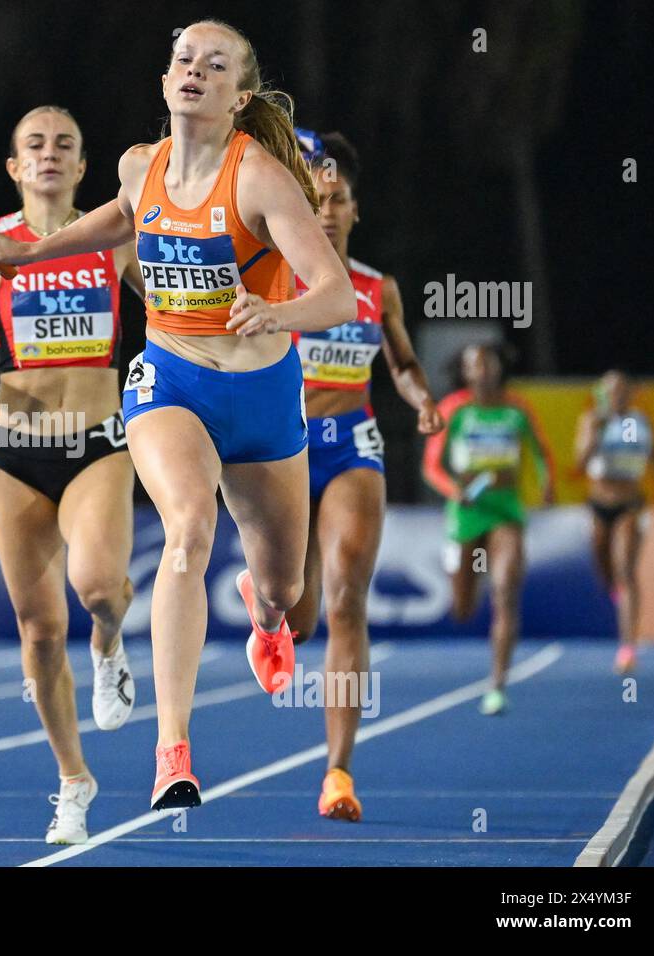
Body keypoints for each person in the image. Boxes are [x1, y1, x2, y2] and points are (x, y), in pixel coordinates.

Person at [0, 21, 355, 811]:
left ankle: (266, 611)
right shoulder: (139, 166)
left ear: (238, 95)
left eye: (214, 66)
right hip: (172, 379)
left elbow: (337, 293)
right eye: (184, 60)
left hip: (260, 395)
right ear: (165, 80)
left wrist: (280, 315)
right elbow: (117, 217)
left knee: (289, 587)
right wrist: (27, 254)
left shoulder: (260, 182)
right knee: (186, 529)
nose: (194, 72)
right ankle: (172, 751)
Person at [0, 106, 145, 842]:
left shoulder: (116, 241)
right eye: (34, 145)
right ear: (15, 167)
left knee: (99, 588)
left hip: (97, 442)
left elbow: (176, 311)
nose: (50, 154)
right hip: (13, 449)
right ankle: (73, 782)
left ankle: (110, 644)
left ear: (84, 167)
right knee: (41, 632)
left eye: (66, 145)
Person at [286, 130, 444, 820]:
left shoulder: (378, 289)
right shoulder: (274, 275)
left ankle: (338, 773)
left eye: (338, 200)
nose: (326, 211)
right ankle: (273, 610)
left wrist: (420, 398)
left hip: (352, 444)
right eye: (315, 200)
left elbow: (402, 363)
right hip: (284, 451)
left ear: (354, 211)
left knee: (348, 597)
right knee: (296, 613)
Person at [422, 343, 554, 714]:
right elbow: (431, 466)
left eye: (487, 360)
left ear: (497, 366)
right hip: (467, 511)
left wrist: (546, 483)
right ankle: (474, 568)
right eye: (473, 363)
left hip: (505, 507)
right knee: (463, 607)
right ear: (464, 372)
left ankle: (497, 684)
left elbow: (541, 450)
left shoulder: (517, 408)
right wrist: (455, 490)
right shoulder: (455, 409)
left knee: (506, 591)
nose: (481, 367)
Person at [575, 370, 654, 673]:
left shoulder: (637, 421)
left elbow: (653, 456)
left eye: (622, 390)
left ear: (630, 393)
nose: (617, 396)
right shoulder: (592, 420)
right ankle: (616, 591)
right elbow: (580, 463)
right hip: (598, 504)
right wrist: (596, 432)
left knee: (625, 569)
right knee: (604, 566)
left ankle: (627, 647)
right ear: (602, 394)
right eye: (611, 391)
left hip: (630, 504)